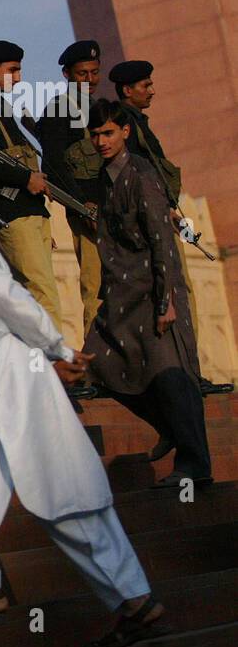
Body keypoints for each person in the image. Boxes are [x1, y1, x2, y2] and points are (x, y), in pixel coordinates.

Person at [0, 146, 167, 647]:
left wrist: (55, 345)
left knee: (41, 489)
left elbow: (7, 295)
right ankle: (130, 600)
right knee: (42, 489)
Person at [82, 101, 212, 487]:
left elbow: (163, 243)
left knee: (173, 378)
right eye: (95, 134)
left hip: (153, 291)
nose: (100, 141)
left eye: (107, 133)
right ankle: (169, 429)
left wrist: (166, 301)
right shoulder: (105, 177)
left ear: (124, 132)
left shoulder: (142, 175)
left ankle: (194, 468)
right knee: (97, 364)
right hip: (123, 293)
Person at [109, 59, 232, 398]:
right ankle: (186, 377)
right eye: (145, 85)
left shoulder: (135, 124)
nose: (151, 91)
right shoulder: (126, 128)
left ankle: (185, 375)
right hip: (150, 227)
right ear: (127, 90)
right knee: (172, 294)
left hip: (159, 218)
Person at [0, 42, 64, 332]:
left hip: (30, 213)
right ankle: (55, 367)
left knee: (37, 293)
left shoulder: (0, 107)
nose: (17, 78)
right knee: (42, 294)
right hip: (11, 213)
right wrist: (25, 179)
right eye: (12, 70)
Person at [39, 40, 103, 334]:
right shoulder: (59, 111)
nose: (89, 80)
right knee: (97, 289)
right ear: (67, 75)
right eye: (82, 74)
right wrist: (82, 205)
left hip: (113, 211)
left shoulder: (101, 110)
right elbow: (52, 166)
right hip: (88, 213)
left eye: (94, 72)